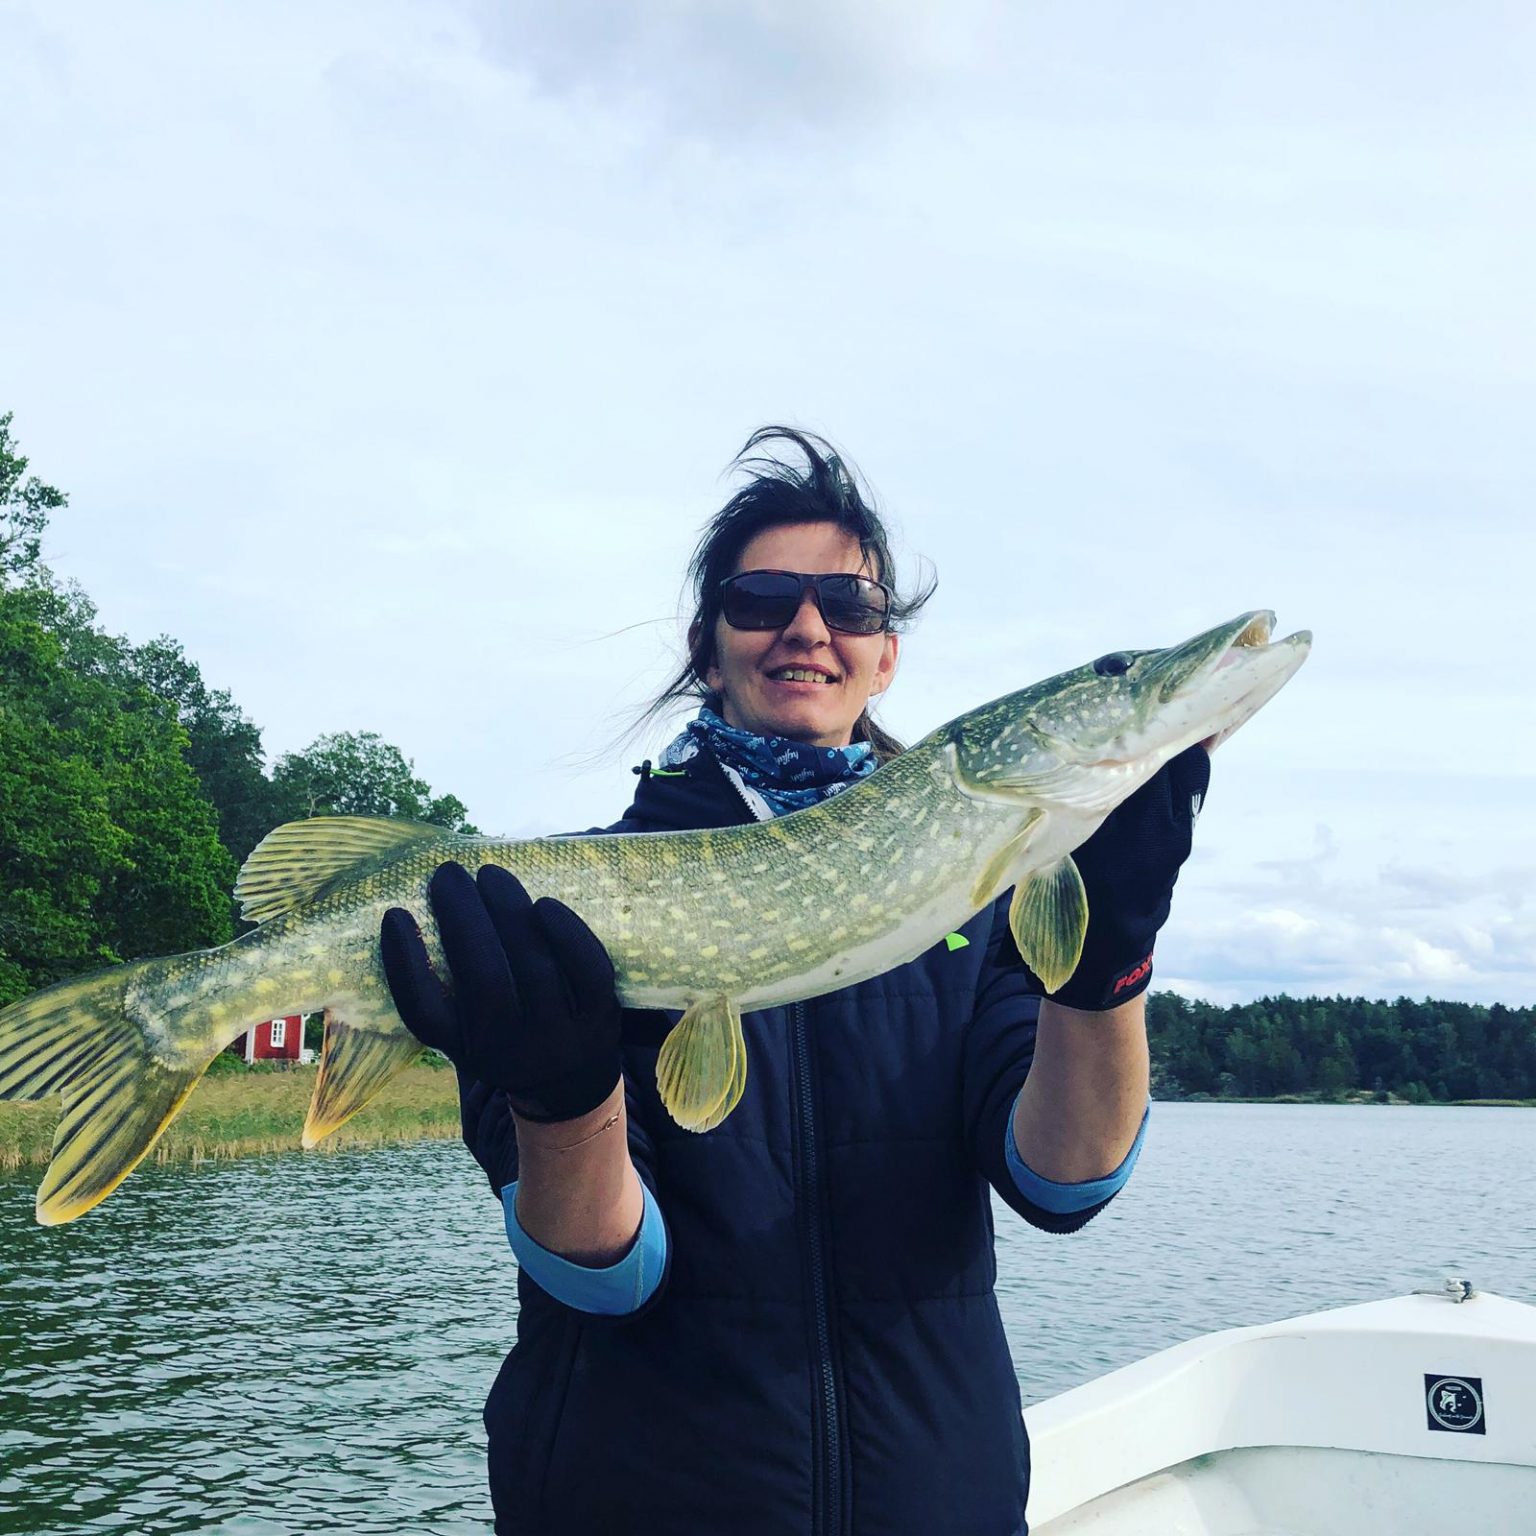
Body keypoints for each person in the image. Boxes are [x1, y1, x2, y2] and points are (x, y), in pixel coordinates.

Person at [380, 428, 1211, 1536]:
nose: (809, 627)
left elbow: (1064, 1182)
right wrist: (565, 1100)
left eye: (852, 606)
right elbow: (604, 1275)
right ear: (708, 644)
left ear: (886, 657)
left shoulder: (987, 902)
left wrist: (1107, 971)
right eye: (764, 596)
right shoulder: (552, 921)